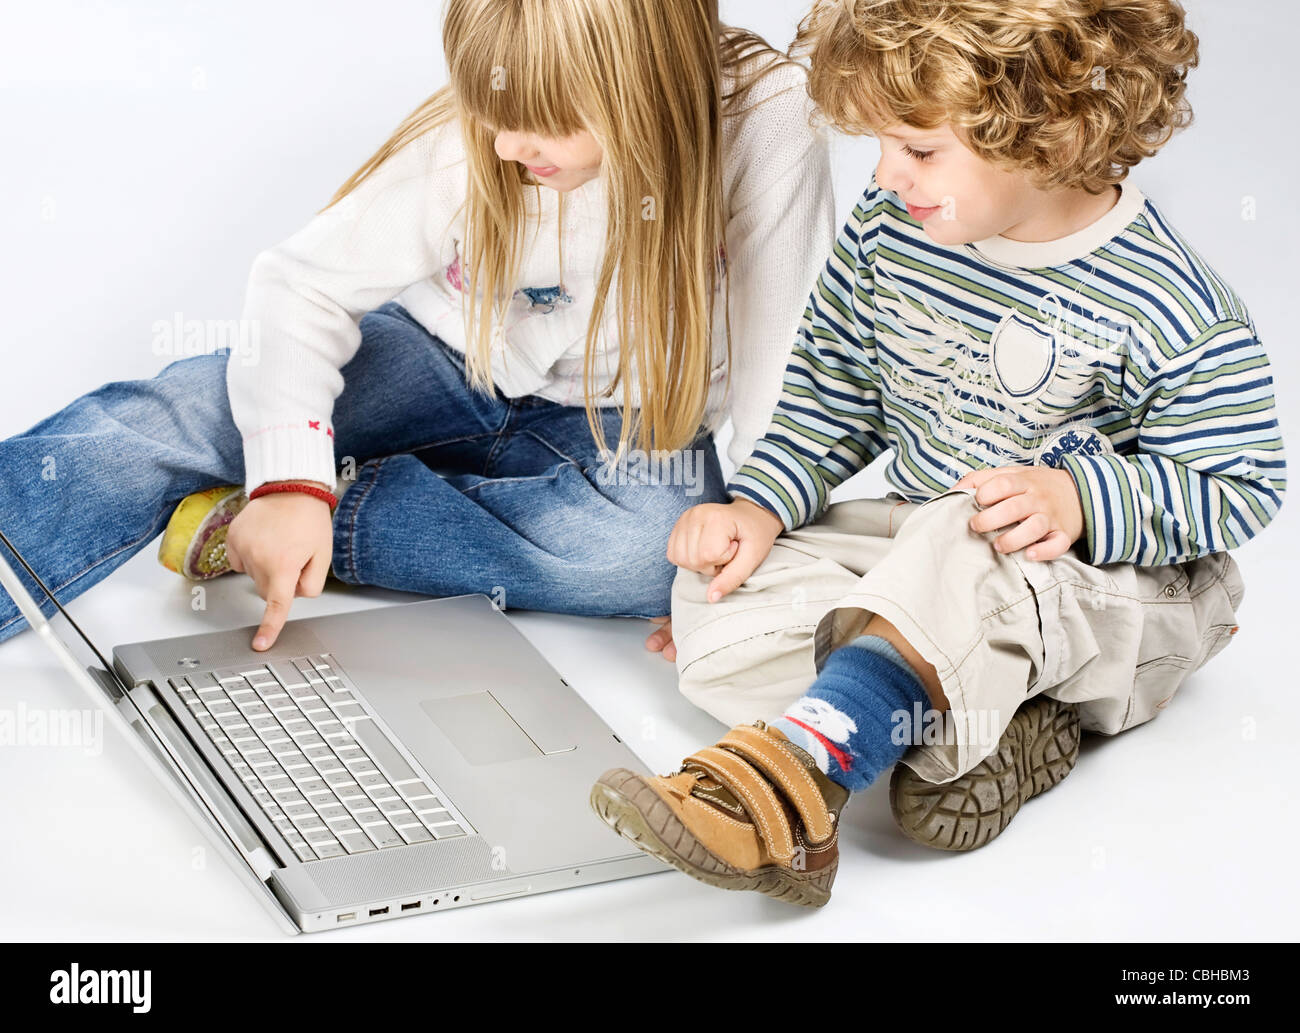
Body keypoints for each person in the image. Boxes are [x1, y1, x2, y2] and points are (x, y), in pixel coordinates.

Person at [591, 0, 1286, 907]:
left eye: (918, 151)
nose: (885, 174)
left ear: (1056, 130)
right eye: (881, 145)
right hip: (925, 552)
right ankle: (969, 716)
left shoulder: (1170, 302)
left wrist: (1079, 497)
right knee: (711, 601)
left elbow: (1241, 485)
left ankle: (793, 785)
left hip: (1107, 582)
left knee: (968, 529)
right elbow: (832, 393)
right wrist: (757, 508)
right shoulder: (890, 233)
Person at [0, 0, 835, 653]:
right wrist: (289, 473)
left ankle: (278, 518)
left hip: (629, 424)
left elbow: (781, 354)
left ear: (643, 90)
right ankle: (286, 490)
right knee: (181, 411)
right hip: (444, 357)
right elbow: (301, 286)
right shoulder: (489, 134)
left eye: (546, 124)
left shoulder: (769, 118)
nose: (508, 145)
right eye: (496, 117)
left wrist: (760, 559)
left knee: (646, 551)